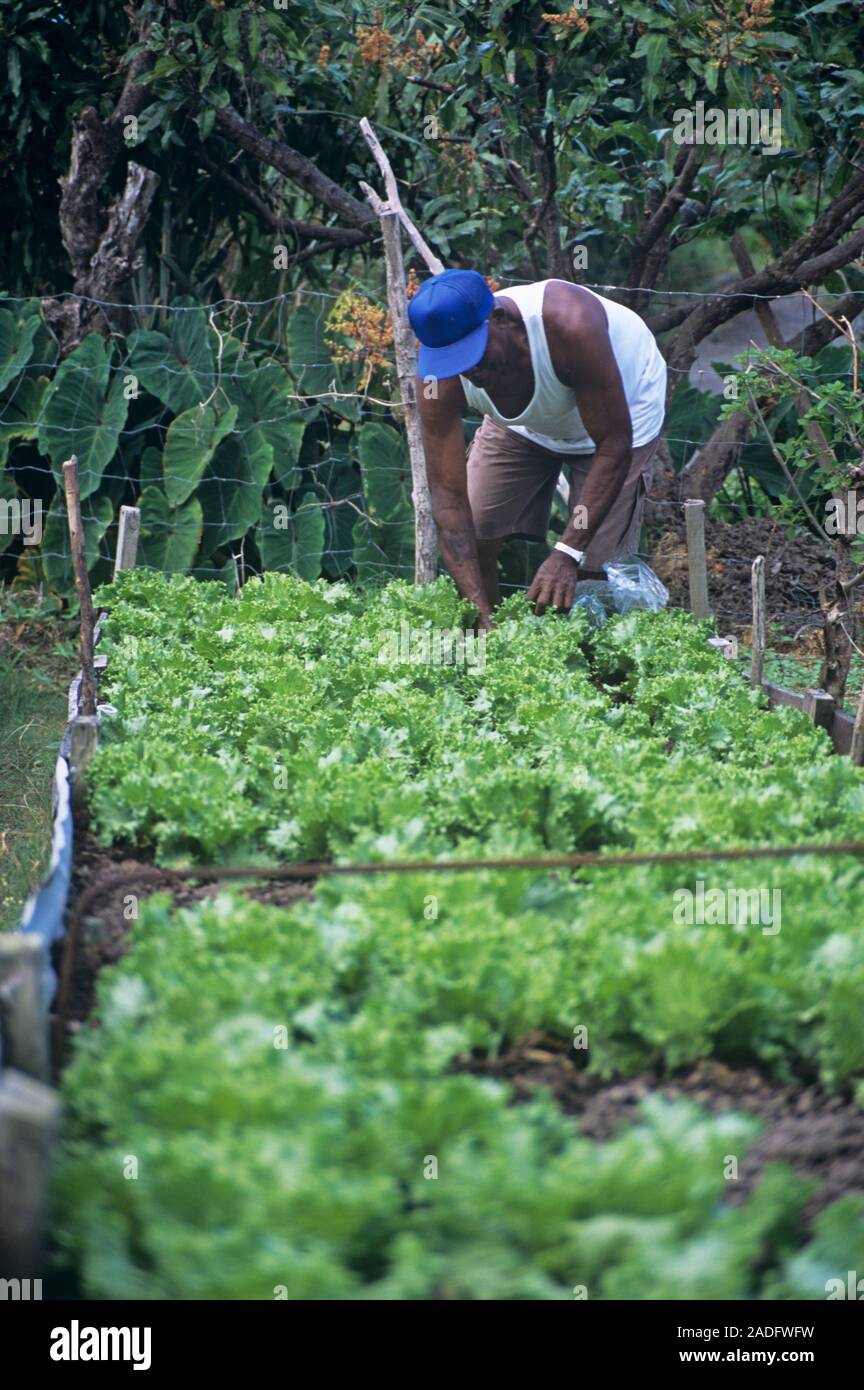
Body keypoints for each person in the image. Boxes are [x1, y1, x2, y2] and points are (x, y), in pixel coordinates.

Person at [409, 269, 667, 627]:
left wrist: (566, 552)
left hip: (618, 420)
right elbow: (449, 500)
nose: (469, 372)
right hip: (522, 425)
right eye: (454, 362)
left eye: (473, 355)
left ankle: (590, 665)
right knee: (478, 528)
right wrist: (478, 615)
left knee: (594, 570)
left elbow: (613, 445)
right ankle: (492, 635)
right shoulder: (439, 379)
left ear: (500, 318)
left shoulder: (569, 325)